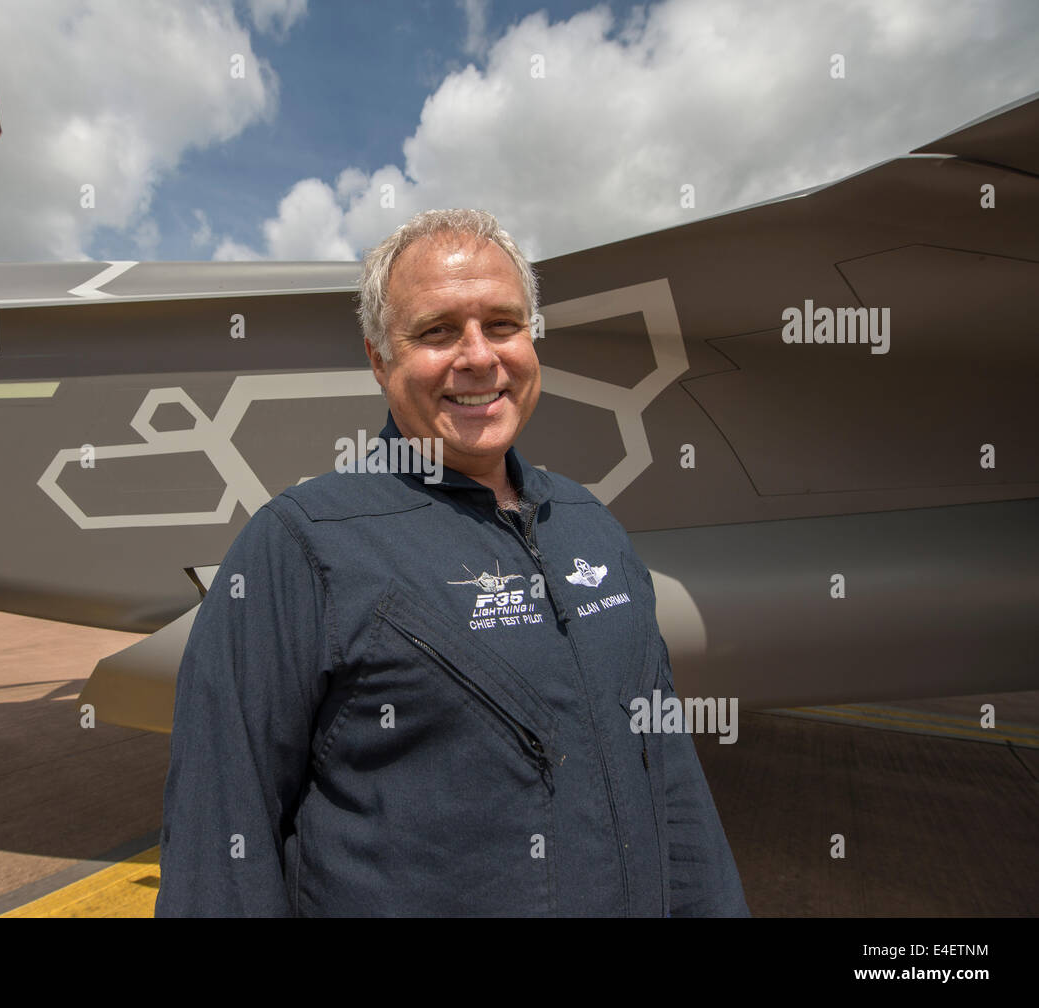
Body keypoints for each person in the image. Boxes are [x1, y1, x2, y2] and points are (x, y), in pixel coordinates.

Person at [155, 209, 749, 916]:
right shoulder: (302, 547)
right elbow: (219, 844)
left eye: (503, 324)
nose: (478, 357)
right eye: (437, 331)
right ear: (380, 360)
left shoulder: (593, 529)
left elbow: (672, 783)